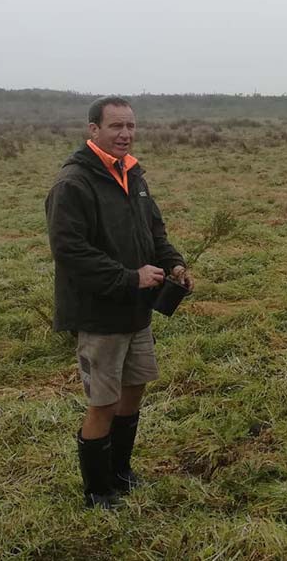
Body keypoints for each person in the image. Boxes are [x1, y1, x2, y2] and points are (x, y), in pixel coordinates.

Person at [45, 96, 193, 508]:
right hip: (100, 314)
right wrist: (131, 277)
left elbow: (154, 231)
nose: (125, 134)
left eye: (130, 126)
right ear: (93, 129)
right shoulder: (74, 182)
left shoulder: (133, 175)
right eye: (115, 127)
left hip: (136, 310)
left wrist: (174, 265)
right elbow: (70, 251)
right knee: (103, 402)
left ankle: (121, 473)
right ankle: (98, 491)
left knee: (134, 390)